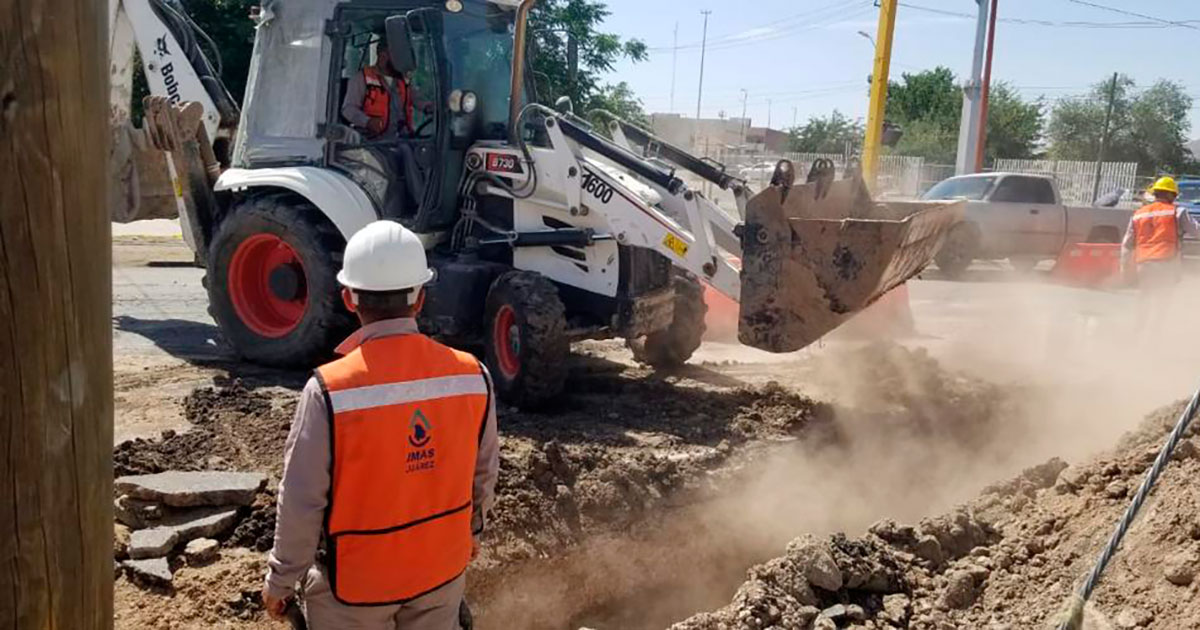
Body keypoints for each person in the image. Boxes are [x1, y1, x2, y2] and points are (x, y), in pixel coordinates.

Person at [261, 220, 499, 629]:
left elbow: (302, 500)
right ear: (421, 298)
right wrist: (470, 536)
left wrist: (281, 581)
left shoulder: (329, 390)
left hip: (352, 587)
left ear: (349, 299)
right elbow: (483, 475)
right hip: (439, 573)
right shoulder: (472, 376)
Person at [1121, 176, 1200, 291]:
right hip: (1166, 263)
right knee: (1162, 298)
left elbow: (1127, 244)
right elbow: (1197, 231)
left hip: (1143, 263)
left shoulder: (1138, 214)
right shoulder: (1177, 212)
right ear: (1170, 194)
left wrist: (1124, 267)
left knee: (1144, 296)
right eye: (1174, 195)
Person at [342, 39, 412, 140]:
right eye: (397, 58)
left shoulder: (402, 80)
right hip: (373, 142)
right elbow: (348, 109)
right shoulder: (361, 78)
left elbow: (418, 99)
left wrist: (430, 106)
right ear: (383, 56)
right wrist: (367, 121)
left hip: (400, 138)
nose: (401, 62)